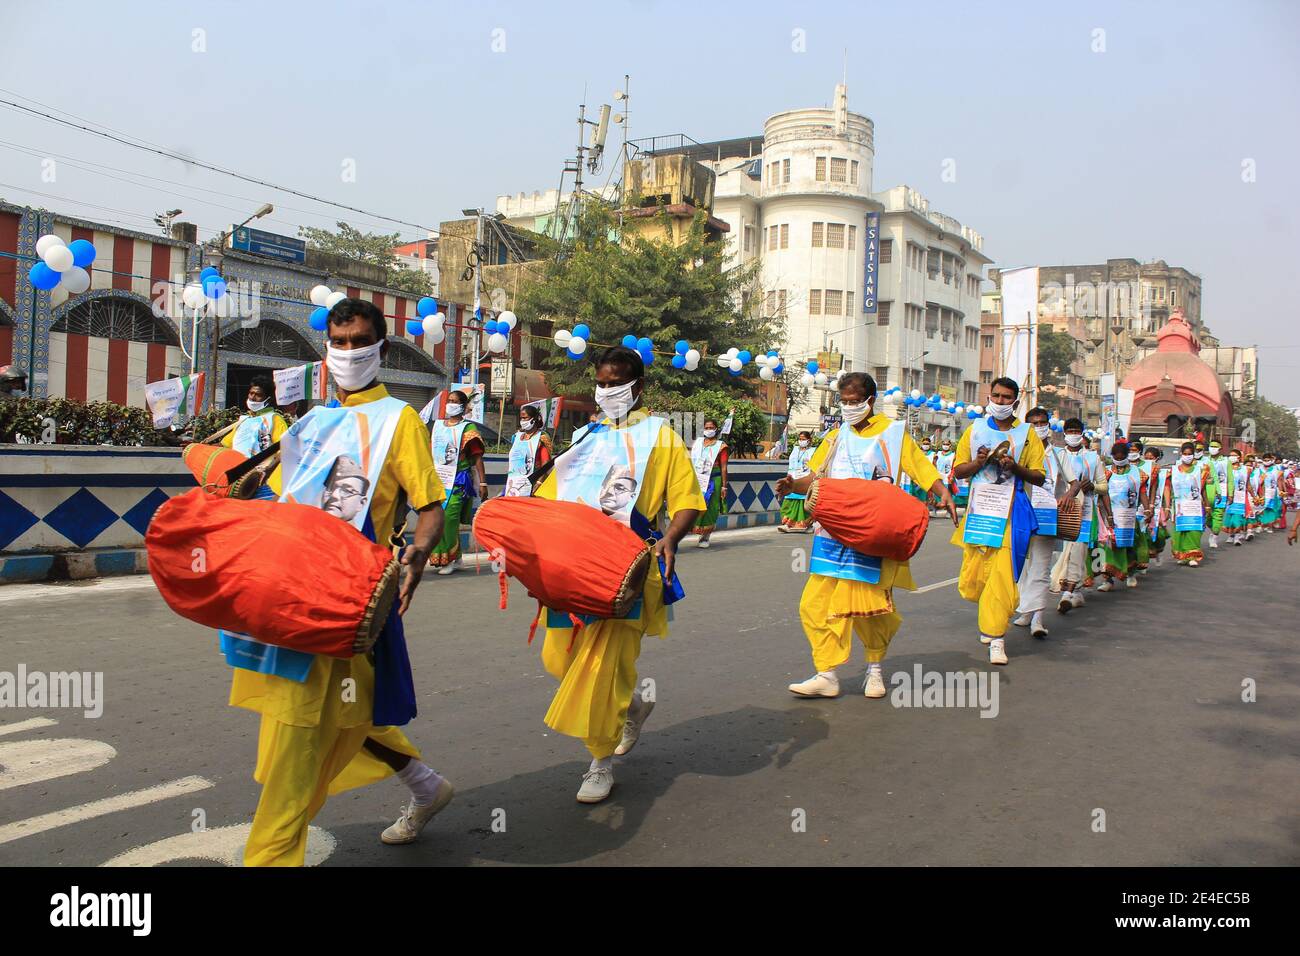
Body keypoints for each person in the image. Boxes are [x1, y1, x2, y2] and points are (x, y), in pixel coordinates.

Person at [232, 297, 450, 866]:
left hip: (352, 599)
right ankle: (426, 785)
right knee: (338, 712)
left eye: (360, 342)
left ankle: (270, 858)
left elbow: (431, 506)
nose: (349, 352)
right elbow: (275, 498)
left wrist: (418, 555)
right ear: (326, 349)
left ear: (381, 348)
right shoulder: (312, 422)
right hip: (293, 594)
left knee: (299, 739)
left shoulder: (398, 421)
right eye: (340, 342)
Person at [531, 346, 703, 803]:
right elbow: (549, 500)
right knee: (559, 658)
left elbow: (686, 498)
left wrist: (672, 538)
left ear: (638, 387)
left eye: (615, 383)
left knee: (603, 667)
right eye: (601, 383)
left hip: (628, 566)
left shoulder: (661, 436)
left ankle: (600, 761)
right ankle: (632, 707)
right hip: (573, 566)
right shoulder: (586, 436)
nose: (606, 391)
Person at [779, 373, 955, 699]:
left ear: (869, 401)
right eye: (843, 402)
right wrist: (793, 485)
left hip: (873, 530)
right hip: (832, 530)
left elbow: (920, 467)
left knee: (869, 606)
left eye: (853, 401)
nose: (848, 407)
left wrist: (942, 491)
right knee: (813, 604)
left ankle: (874, 671)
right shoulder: (835, 436)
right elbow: (815, 475)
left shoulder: (893, 433)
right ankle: (826, 673)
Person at [949, 377, 1046, 666]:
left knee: (1002, 574)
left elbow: (1039, 476)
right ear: (988, 397)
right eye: (996, 396)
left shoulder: (1027, 434)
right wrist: (979, 463)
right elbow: (958, 471)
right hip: (980, 514)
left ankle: (996, 636)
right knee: (974, 579)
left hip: (1011, 513)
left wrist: (1014, 466)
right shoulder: (974, 430)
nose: (1000, 402)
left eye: (1006, 398)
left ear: (1016, 401)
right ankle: (989, 611)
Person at [1012, 408, 1080, 638]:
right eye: (1034, 423)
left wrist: (1068, 496)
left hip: (1048, 518)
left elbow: (1075, 483)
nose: (1039, 427)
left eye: (1043, 423)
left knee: (1041, 569)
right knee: (1021, 568)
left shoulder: (1059, 454)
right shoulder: (1019, 452)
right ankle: (1026, 611)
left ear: (1048, 425)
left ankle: (1038, 619)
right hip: (1021, 515)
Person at [429, 390, 487, 573]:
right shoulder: (438, 426)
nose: (450, 404)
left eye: (455, 401)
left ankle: (450, 559)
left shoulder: (468, 429)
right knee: (436, 518)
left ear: (462, 406)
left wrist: (483, 483)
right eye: (449, 400)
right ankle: (457, 556)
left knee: (449, 517)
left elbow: (477, 457)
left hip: (458, 480)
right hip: (438, 479)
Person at [1053, 418, 1102, 614]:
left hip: (1084, 512)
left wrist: (1093, 486)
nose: (1073, 434)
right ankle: (1077, 591)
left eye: (1076, 431)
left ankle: (1067, 594)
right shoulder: (1055, 455)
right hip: (1058, 510)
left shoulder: (1092, 458)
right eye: (1070, 430)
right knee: (1059, 553)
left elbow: (1103, 487)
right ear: (1064, 433)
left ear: (1082, 433)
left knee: (1077, 552)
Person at [221, 374, 291, 498]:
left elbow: (285, 450)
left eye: (258, 395)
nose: (252, 397)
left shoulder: (275, 420)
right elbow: (224, 445)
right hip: (238, 481)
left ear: (268, 399)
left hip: (261, 483)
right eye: (251, 393)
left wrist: (267, 472)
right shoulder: (243, 421)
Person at [1097, 441, 1140, 591]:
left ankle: (1131, 574)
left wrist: (1148, 509)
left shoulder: (1136, 473)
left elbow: (1143, 493)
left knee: (1128, 545)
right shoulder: (1106, 472)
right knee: (1107, 546)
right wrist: (1106, 514)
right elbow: (1102, 493)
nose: (1119, 458)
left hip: (1128, 516)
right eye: (1116, 456)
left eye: (1122, 456)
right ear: (1112, 456)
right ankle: (1108, 580)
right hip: (1109, 514)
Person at [1165, 441, 1211, 566]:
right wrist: (1167, 507)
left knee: (1194, 530)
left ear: (1194, 454)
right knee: (1180, 531)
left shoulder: (1200, 471)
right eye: (1185, 454)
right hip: (1179, 507)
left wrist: (1207, 504)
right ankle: (1182, 555)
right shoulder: (1173, 470)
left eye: (1190, 454)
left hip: (1194, 506)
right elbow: (1167, 488)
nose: (1187, 456)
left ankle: (1193, 557)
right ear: (1181, 454)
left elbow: (1203, 489)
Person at [691, 416, 729, 547]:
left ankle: (705, 537)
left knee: (711, 507)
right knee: (696, 505)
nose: (708, 430)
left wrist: (724, 486)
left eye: (711, 428)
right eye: (706, 428)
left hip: (714, 480)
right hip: (698, 479)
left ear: (716, 429)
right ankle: (695, 529)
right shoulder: (697, 444)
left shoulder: (721, 446)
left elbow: (724, 467)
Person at [504, 404, 553, 497]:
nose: (522, 421)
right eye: (521, 418)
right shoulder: (516, 437)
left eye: (525, 418)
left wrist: (539, 483)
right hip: (513, 484)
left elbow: (546, 464)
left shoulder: (541, 438)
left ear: (534, 419)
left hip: (532, 483)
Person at [779, 431, 815, 532]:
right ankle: (789, 523)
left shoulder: (813, 451)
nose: (801, 441)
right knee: (789, 500)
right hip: (792, 478)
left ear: (809, 440)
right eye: (800, 439)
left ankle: (804, 524)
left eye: (803, 439)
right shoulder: (794, 450)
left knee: (804, 502)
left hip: (805, 479)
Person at [1223, 448, 1249, 545]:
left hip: (1240, 498)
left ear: (1239, 457)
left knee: (1237, 519)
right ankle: (1231, 535)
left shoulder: (1245, 469)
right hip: (1229, 498)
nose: (1231, 457)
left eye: (1234, 455)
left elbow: (1248, 484)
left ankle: (1237, 537)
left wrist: (1254, 496)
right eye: (1230, 455)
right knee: (1229, 520)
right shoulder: (1226, 469)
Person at [932, 437, 957, 520]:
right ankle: (934, 510)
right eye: (944, 444)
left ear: (950, 446)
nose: (945, 446)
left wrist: (952, 476)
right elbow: (934, 464)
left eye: (947, 444)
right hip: (938, 477)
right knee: (936, 494)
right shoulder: (937, 454)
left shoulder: (953, 455)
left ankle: (948, 511)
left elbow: (954, 466)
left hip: (948, 477)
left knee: (948, 495)